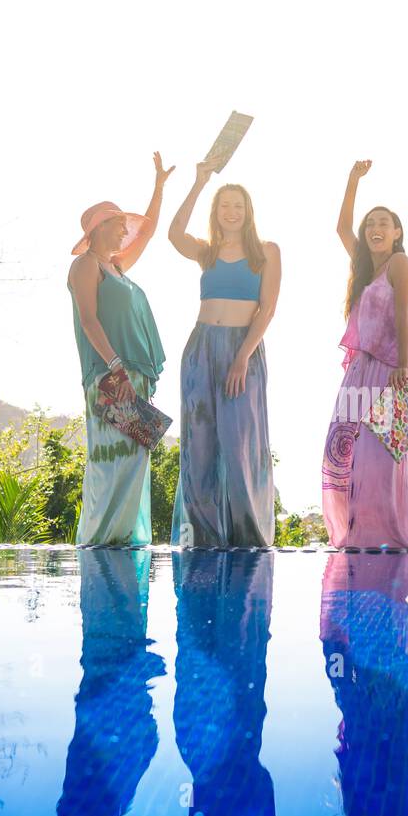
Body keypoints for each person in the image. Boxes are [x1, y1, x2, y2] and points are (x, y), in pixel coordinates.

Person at [167, 158, 281, 546]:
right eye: (224, 205)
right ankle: (202, 535)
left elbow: (267, 309)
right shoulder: (206, 251)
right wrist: (199, 182)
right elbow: (174, 233)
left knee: (239, 442)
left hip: (241, 350)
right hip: (200, 349)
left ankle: (248, 536)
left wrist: (243, 356)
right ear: (215, 212)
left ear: (248, 212)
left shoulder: (267, 251)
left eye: (238, 205)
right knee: (199, 443)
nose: (231, 211)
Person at [66, 152, 172, 545]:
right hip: (110, 377)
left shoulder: (119, 267)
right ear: (99, 228)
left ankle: (123, 541)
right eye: (118, 224)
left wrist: (159, 187)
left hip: (133, 376)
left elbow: (149, 231)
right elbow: (89, 320)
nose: (125, 231)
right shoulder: (85, 267)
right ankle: (100, 544)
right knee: (111, 461)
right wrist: (116, 367)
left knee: (134, 462)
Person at [321, 159, 408, 548]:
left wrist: (400, 366)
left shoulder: (400, 262)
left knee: (382, 458)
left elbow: (403, 315)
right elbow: (341, 228)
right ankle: (355, 530)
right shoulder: (364, 268)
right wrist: (351, 181)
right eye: (371, 224)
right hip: (360, 370)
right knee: (343, 451)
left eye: (384, 223)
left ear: (397, 233)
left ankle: (387, 535)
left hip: (392, 371)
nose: (375, 228)